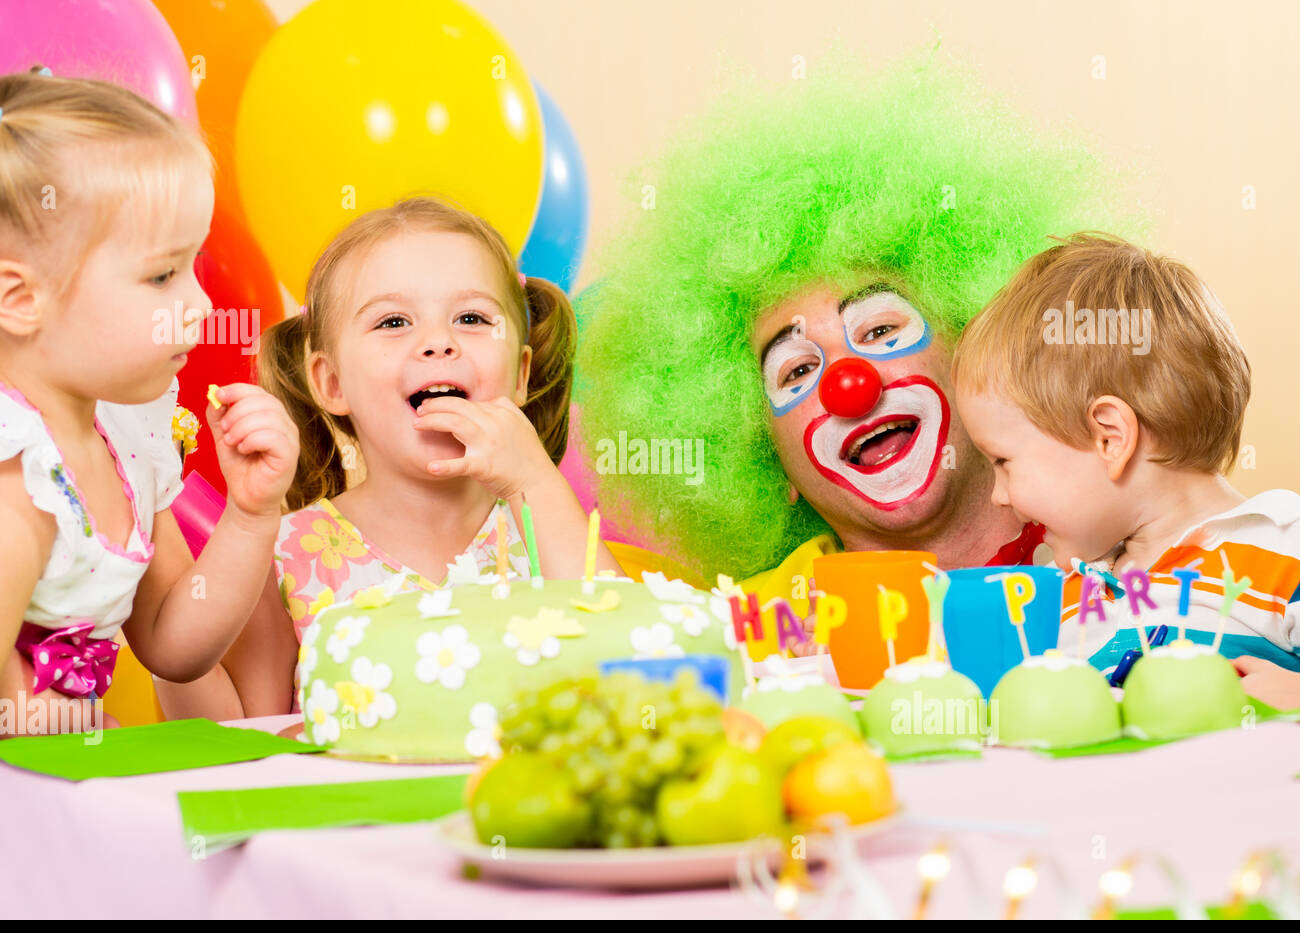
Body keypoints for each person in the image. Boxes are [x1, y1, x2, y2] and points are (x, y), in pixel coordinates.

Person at [575, 55, 1121, 655]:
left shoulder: (1124, 554)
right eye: (797, 370)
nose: (848, 382)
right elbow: (617, 651)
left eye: (881, 331)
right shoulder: (753, 634)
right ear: (764, 457)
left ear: (978, 351)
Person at [165, 198, 620, 719]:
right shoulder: (284, 557)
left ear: (520, 376)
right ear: (332, 384)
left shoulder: (549, 530)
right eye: (393, 321)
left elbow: (637, 662)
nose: (437, 343)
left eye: (471, 318)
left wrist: (535, 482)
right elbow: (240, 737)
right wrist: (157, 590)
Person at [0, 71, 298, 735]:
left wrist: (251, 517)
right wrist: (47, 716)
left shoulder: (125, 436)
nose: (200, 304)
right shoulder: (17, 474)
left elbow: (172, 640)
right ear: (21, 300)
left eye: (194, 265)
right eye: (164, 274)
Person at [953, 232, 1300, 711]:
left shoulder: (1283, 546)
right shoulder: (1062, 593)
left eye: (1003, 462)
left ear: (1110, 438)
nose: (999, 495)